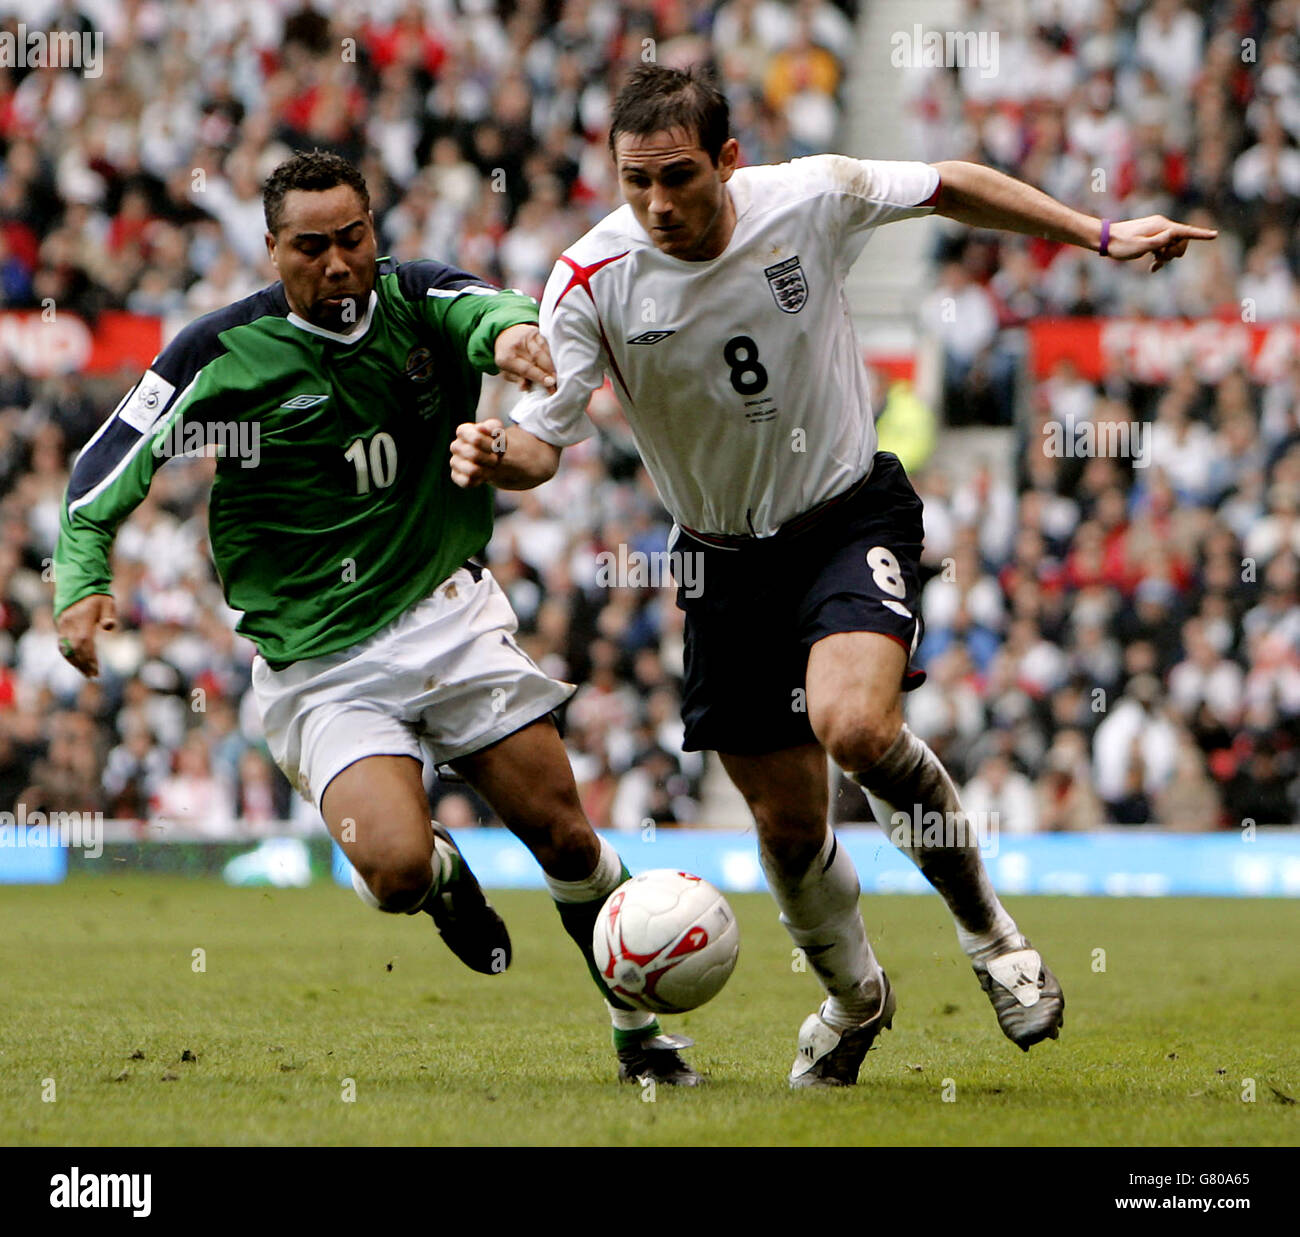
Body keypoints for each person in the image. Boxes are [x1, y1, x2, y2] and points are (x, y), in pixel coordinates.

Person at [450, 65, 1216, 1087]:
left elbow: (947, 182)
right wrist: (503, 457)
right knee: (787, 825)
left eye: (679, 176)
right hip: (722, 561)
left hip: (848, 515)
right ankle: (856, 1000)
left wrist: (1099, 234)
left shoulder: (810, 197)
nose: (657, 204)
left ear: (729, 160)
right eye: (635, 181)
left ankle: (992, 938)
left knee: (855, 726)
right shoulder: (590, 280)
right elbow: (546, 448)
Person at [53, 149, 699, 1087]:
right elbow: (107, 463)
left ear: (373, 229)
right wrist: (81, 578)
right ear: (272, 249)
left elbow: (485, 311)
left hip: (443, 611)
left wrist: (515, 336)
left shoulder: (419, 294)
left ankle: (640, 1038)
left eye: (353, 238)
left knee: (564, 834)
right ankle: (442, 882)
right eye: (310, 246)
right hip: (319, 661)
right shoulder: (218, 351)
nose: (338, 263)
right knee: (392, 870)